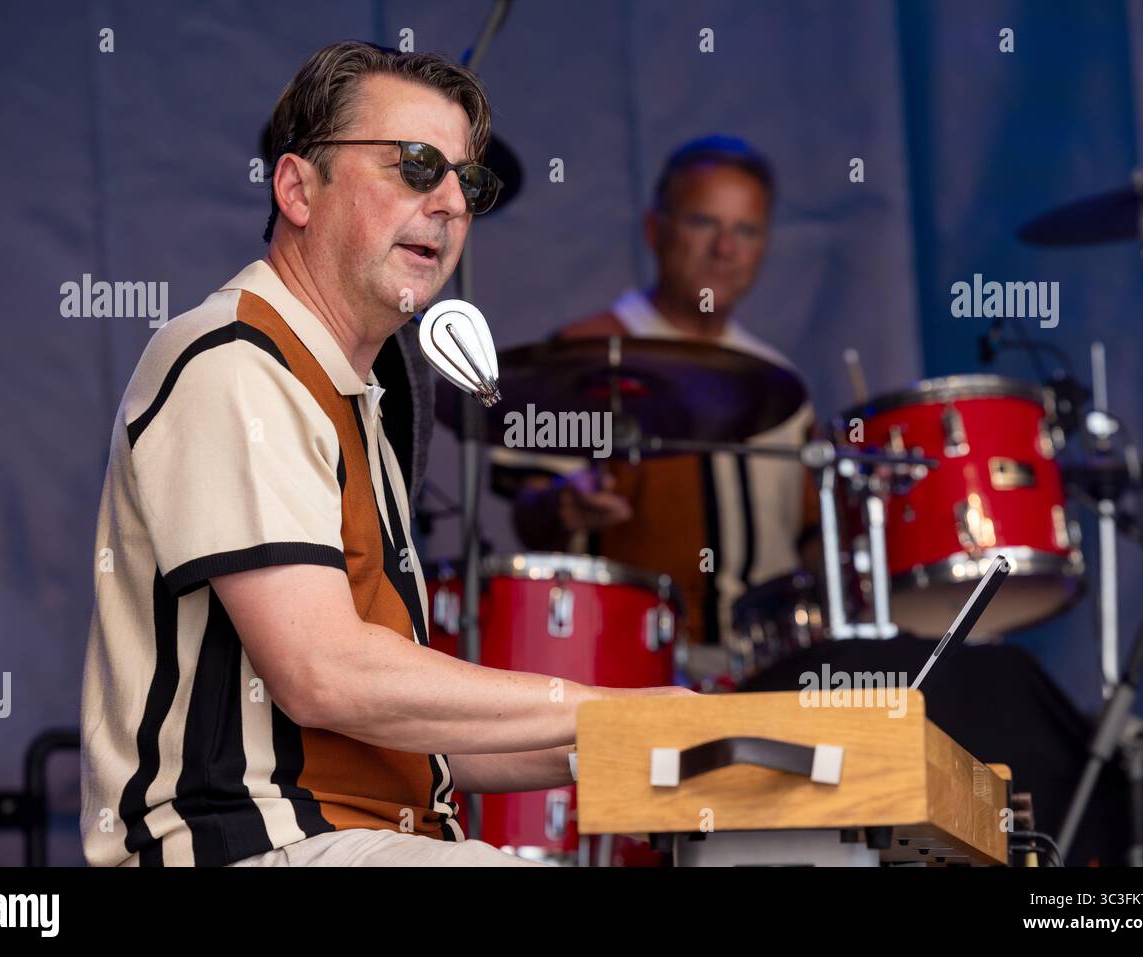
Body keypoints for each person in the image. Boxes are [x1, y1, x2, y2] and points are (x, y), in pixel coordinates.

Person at [80, 40, 688, 869]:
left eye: (467, 183)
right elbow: (324, 672)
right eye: (414, 165)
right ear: (297, 186)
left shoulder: (356, 401)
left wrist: (664, 742)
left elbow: (426, 744)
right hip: (246, 846)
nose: (448, 203)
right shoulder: (233, 361)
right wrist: (606, 711)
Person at [502, 137, 820, 676]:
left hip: (773, 675)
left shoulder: (783, 386)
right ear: (655, 230)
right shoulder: (583, 356)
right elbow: (529, 512)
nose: (725, 249)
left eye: (746, 230)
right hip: (626, 667)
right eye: (703, 223)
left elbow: (812, 539)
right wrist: (563, 504)